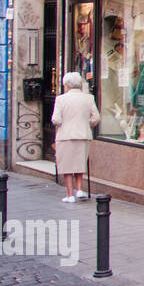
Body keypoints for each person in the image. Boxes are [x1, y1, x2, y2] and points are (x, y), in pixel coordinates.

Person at [51, 72, 99, 203]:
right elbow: (96, 118)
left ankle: (69, 194)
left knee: (67, 166)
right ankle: (79, 190)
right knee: (79, 163)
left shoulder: (61, 99)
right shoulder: (89, 98)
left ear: (67, 85)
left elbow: (56, 119)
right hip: (83, 134)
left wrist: (61, 122)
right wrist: (86, 123)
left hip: (66, 136)